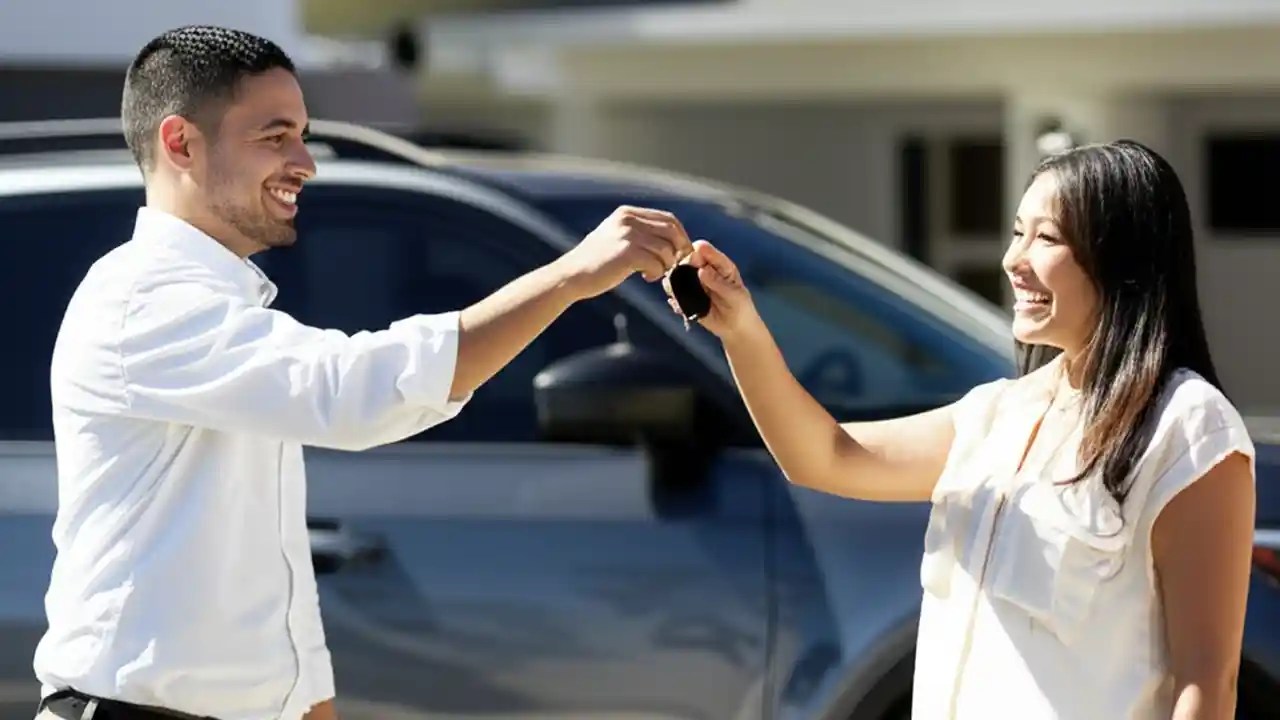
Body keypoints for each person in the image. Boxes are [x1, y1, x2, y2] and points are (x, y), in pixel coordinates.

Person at [34, 25, 692, 720]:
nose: (304, 163)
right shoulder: (143, 300)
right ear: (180, 143)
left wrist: (314, 705)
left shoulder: (217, 305)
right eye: (275, 136)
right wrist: (569, 277)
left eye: (302, 135)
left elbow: (271, 568)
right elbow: (354, 393)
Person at [670, 139, 1256, 719]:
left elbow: (1207, 681)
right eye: (1017, 232)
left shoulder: (1188, 427)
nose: (1014, 260)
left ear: (1121, 257)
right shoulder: (996, 414)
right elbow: (822, 456)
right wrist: (740, 330)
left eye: (1046, 238)